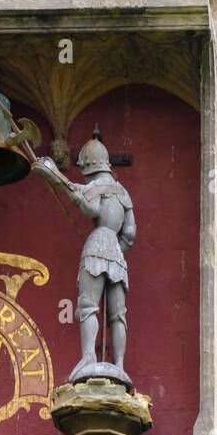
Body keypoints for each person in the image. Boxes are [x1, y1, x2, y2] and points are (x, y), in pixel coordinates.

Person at [31, 132, 136, 386]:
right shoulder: (122, 192)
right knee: (117, 315)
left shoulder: (94, 186)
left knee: (88, 306)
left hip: (97, 245)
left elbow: (91, 208)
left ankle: (89, 357)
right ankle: (120, 365)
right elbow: (131, 232)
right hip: (117, 254)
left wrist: (62, 183)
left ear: (87, 165)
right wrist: (116, 249)